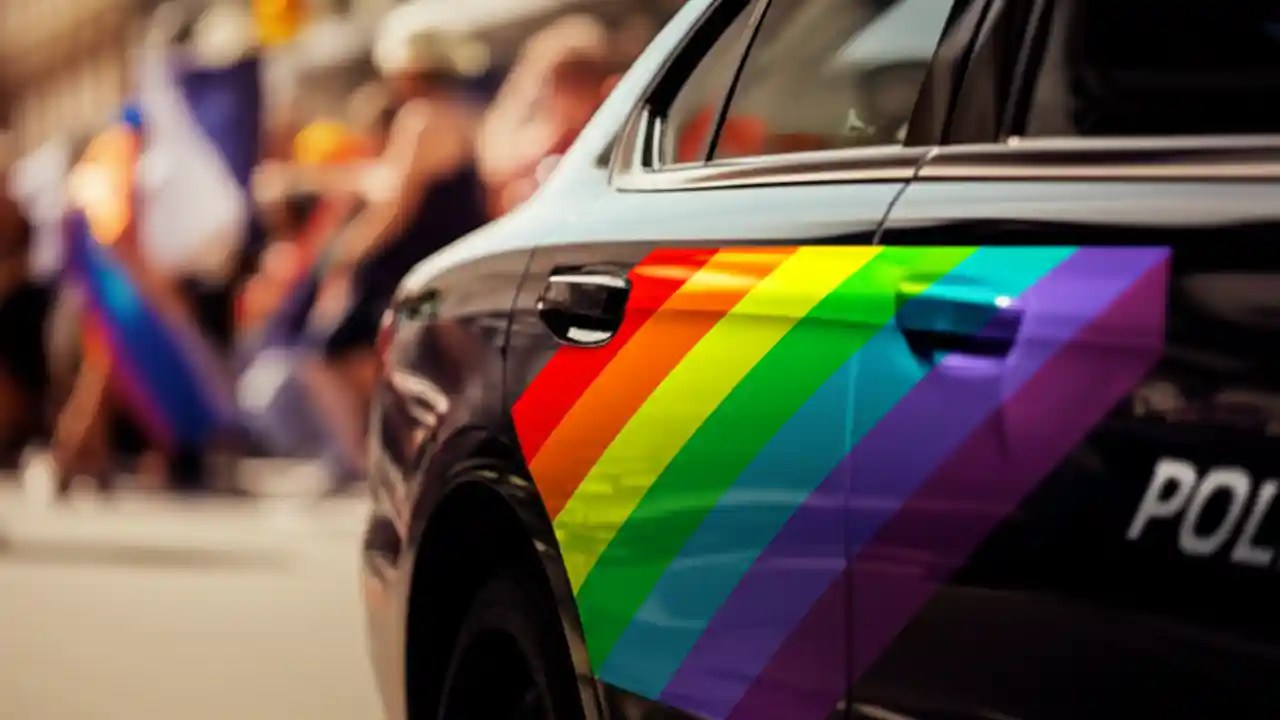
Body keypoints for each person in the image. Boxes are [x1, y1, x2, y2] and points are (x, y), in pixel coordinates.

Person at [311, 22, 489, 454]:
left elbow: (396, 203)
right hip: (452, 258)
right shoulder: (465, 114)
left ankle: (367, 459)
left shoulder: (420, 117)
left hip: (412, 264)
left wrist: (345, 253)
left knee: (334, 350)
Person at [476, 14, 619, 217]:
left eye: (584, 77)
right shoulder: (532, 132)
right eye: (564, 80)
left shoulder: (612, 115)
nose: (573, 90)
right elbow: (496, 170)